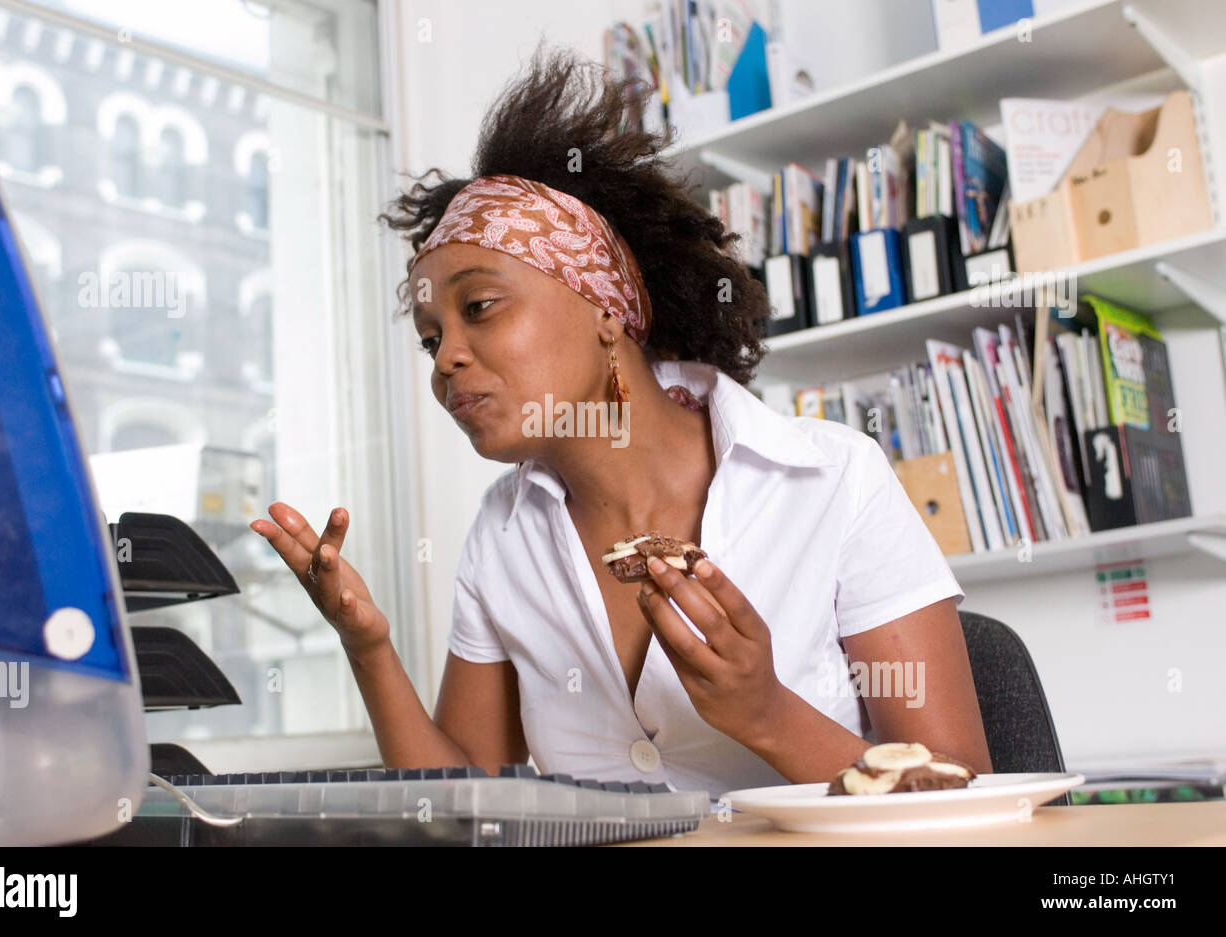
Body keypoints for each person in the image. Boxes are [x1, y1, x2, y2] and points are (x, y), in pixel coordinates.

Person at [251, 44, 992, 800]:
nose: (446, 360)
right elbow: (464, 802)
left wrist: (765, 712)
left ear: (605, 308)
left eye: (478, 309)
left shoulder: (835, 480)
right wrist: (369, 647)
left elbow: (967, 798)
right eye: (431, 337)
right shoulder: (503, 533)